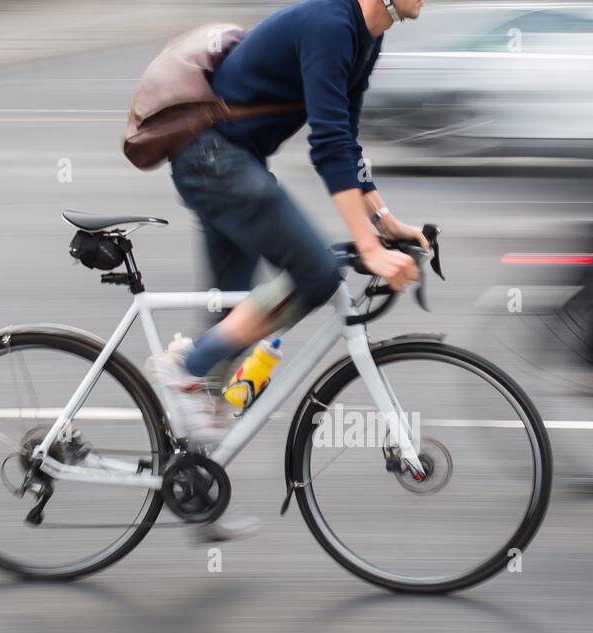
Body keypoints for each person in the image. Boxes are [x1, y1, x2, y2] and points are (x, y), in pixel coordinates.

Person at [158, 0, 431, 449]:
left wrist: (384, 221)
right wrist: (368, 246)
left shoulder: (369, 36)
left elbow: (345, 139)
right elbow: (325, 145)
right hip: (214, 162)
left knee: (233, 319)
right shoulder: (331, 24)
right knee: (316, 275)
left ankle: (191, 482)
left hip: (230, 163)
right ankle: (185, 368)